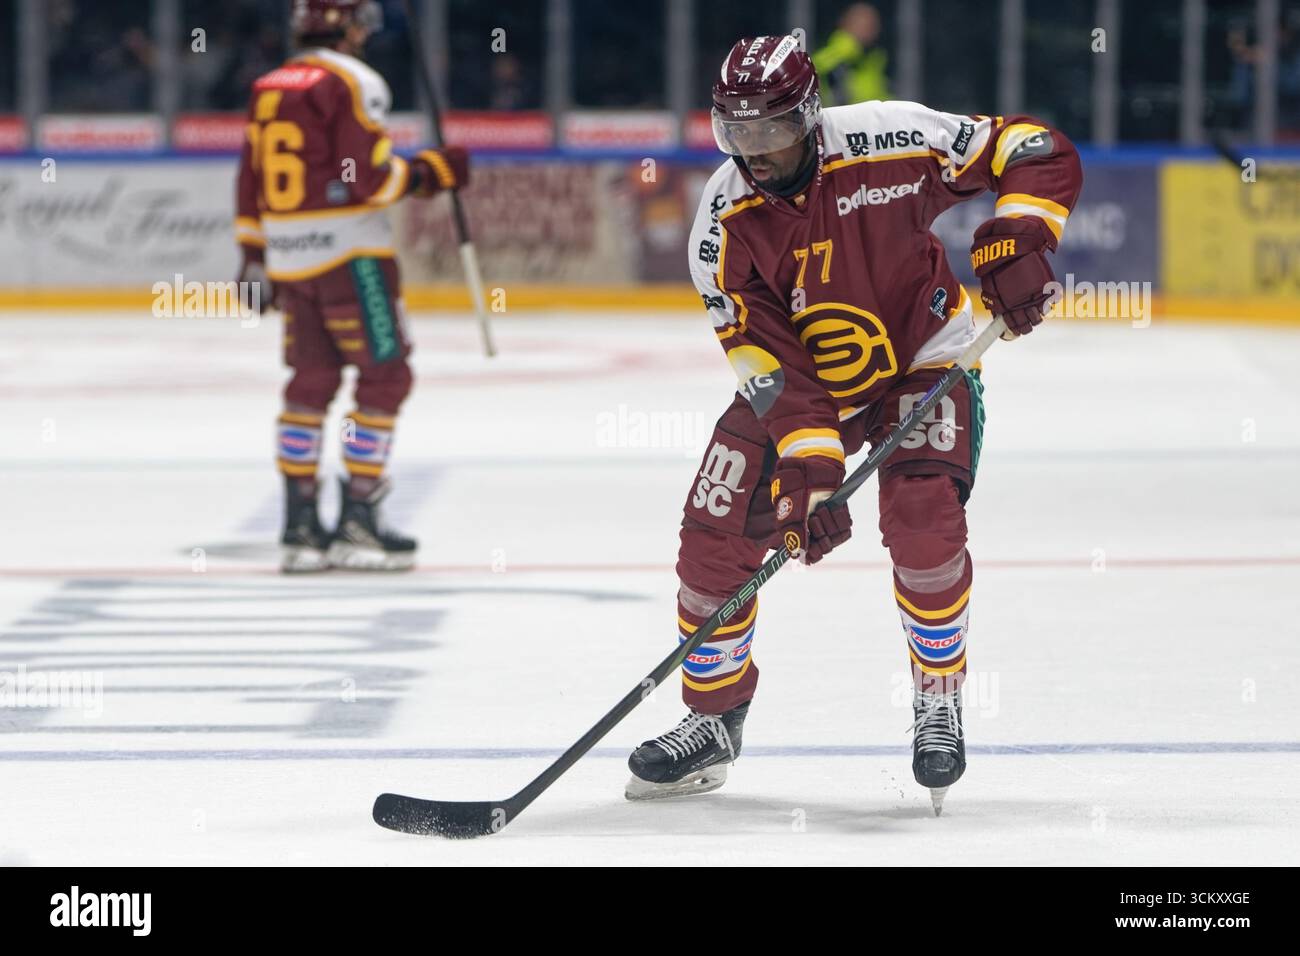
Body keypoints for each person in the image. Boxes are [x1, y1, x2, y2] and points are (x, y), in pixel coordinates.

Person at [626, 35, 1082, 812]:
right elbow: (772, 370)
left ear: (808, 115)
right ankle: (711, 718)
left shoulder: (887, 135)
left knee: (922, 518)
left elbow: (1034, 147)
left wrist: (1026, 231)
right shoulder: (721, 226)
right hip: (815, 389)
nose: (756, 154)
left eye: (771, 132)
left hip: (925, 357)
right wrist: (809, 475)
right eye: (738, 136)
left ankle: (938, 696)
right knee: (716, 526)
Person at [234, 0, 469, 572]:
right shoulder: (355, 80)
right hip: (351, 258)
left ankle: (299, 526)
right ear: (348, 27)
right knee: (385, 376)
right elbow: (363, 178)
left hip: (291, 259)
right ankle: (359, 519)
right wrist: (428, 173)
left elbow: (250, 178)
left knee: (309, 381)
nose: (366, 31)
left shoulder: (269, 84)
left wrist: (253, 256)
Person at [812, 3, 890, 107]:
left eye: (873, 24)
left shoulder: (873, 58)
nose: (870, 30)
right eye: (862, 24)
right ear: (845, 23)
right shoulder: (836, 56)